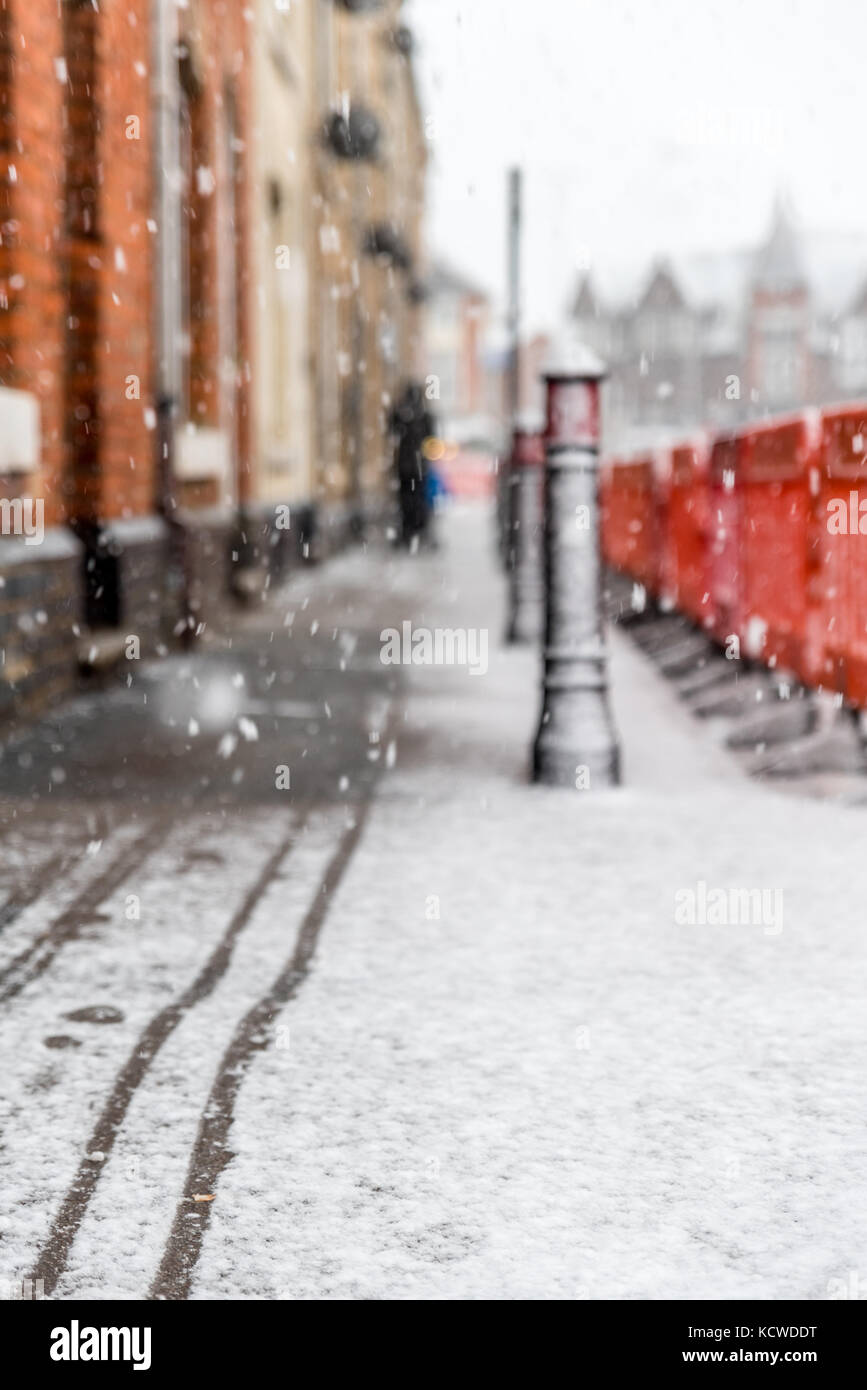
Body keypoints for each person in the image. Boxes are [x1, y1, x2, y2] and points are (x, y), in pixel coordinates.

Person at [390, 382, 436, 549]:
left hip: (407, 468)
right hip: (417, 468)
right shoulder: (423, 416)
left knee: (407, 502)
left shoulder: (404, 414)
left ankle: (409, 532)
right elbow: (431, 439)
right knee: (416, 501)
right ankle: (416, 532)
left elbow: (392, 429)